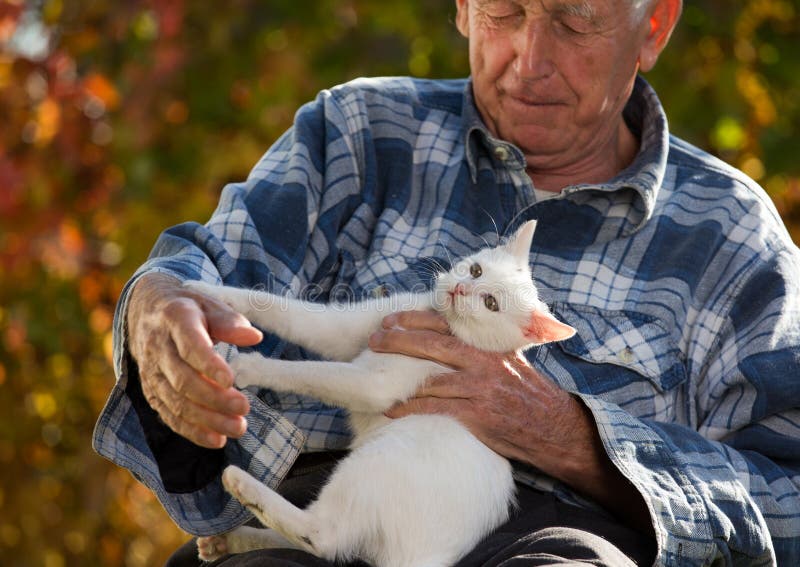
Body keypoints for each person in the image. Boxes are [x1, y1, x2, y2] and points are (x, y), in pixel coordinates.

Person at [93, 0, 800, 565]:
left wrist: (581, 443)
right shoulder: (359, 135)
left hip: (568, 544)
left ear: (654, 27)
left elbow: (790, 505)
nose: (530, 59)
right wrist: (155, 312)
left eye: (573, 20)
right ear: (462, 7)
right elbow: (200, 273)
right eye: (504, 13)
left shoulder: (732, 237)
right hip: (309, 528)